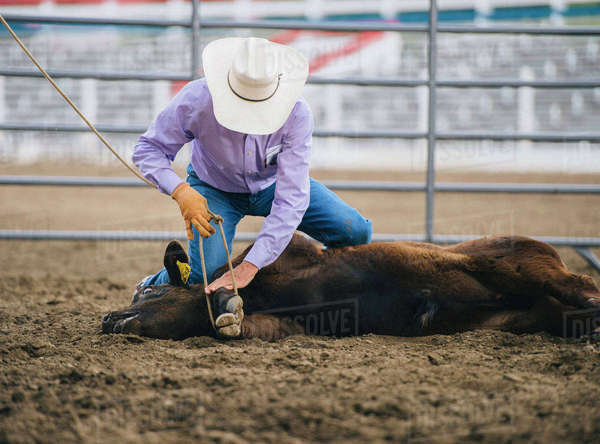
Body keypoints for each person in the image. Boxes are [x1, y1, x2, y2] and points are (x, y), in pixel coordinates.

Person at [132, 36, 372, 304]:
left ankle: (322, 284)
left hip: (274, 186)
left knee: (354, 232)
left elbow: (291, 197)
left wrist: (251, 265)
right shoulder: (197, 98)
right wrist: (180, 190)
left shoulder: (297, 114)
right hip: (213, 188)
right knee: (205, 277)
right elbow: (148, 149)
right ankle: (156, 284)